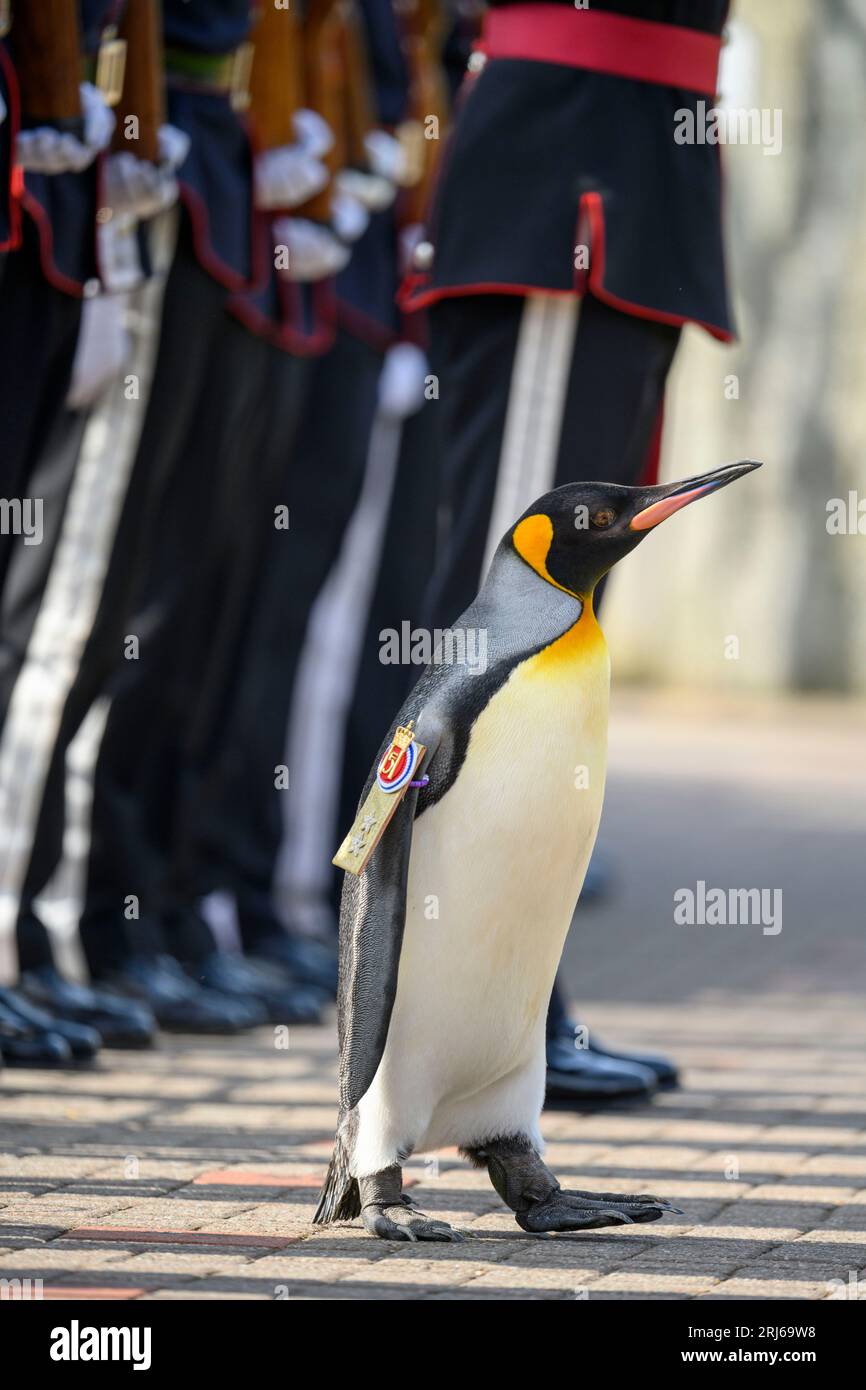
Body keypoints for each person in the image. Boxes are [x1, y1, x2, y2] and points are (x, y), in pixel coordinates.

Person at [397, 0, 736, 1100]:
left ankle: (516, 1005)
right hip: (568, 167)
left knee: (554, 635)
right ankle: (467, 1016)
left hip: (632, 164)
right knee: (515, 625)